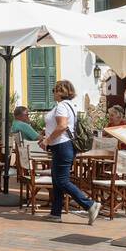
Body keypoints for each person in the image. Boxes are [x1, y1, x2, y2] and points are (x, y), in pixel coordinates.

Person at [43, 80, 99, 225]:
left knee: (62, 181)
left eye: (54, 90)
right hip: (63, 146)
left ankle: (89, 204)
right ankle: (56, 213)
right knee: (57, 181)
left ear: (61, 92)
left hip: (62, 146)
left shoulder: (62, 106)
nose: (53, 93)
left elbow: (62, 126)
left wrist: (47, 140)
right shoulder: (70, 106)